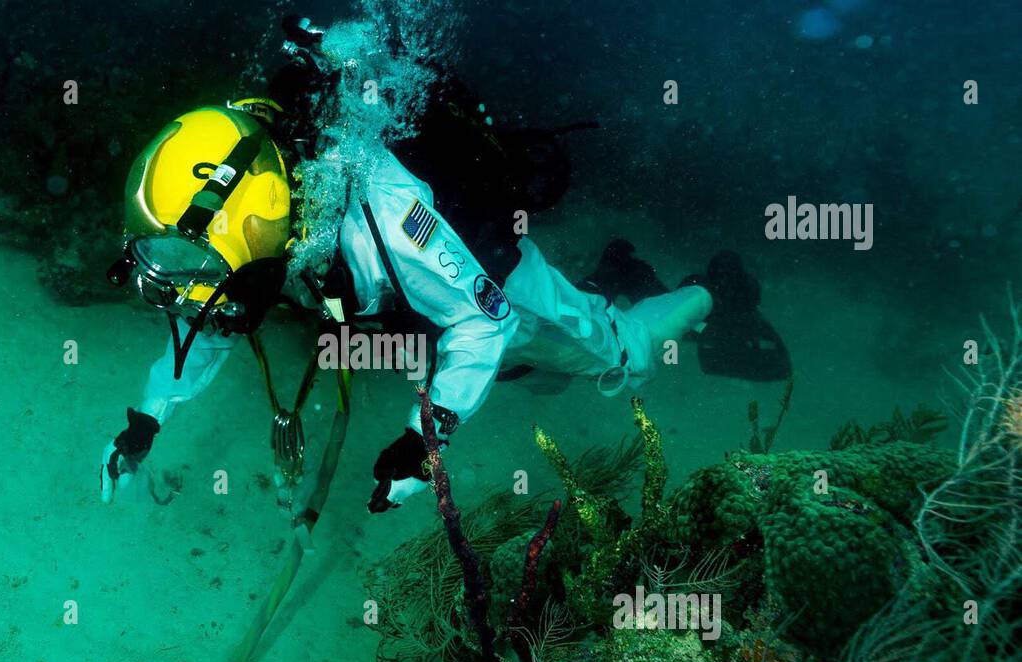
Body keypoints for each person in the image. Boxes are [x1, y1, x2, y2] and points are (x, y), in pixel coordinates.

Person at [99, 17, 789, 514]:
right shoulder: (269, 231)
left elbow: (482, 326)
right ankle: (617, 272)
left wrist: (420, 447)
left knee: (617, 356)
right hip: (422, 305)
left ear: (255, 218)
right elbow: (210, 325)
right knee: (534, 379)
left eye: (185, 259)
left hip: (494, 289)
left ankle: (708, 288)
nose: (175, 283)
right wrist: (146, 419)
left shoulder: (396, 221)